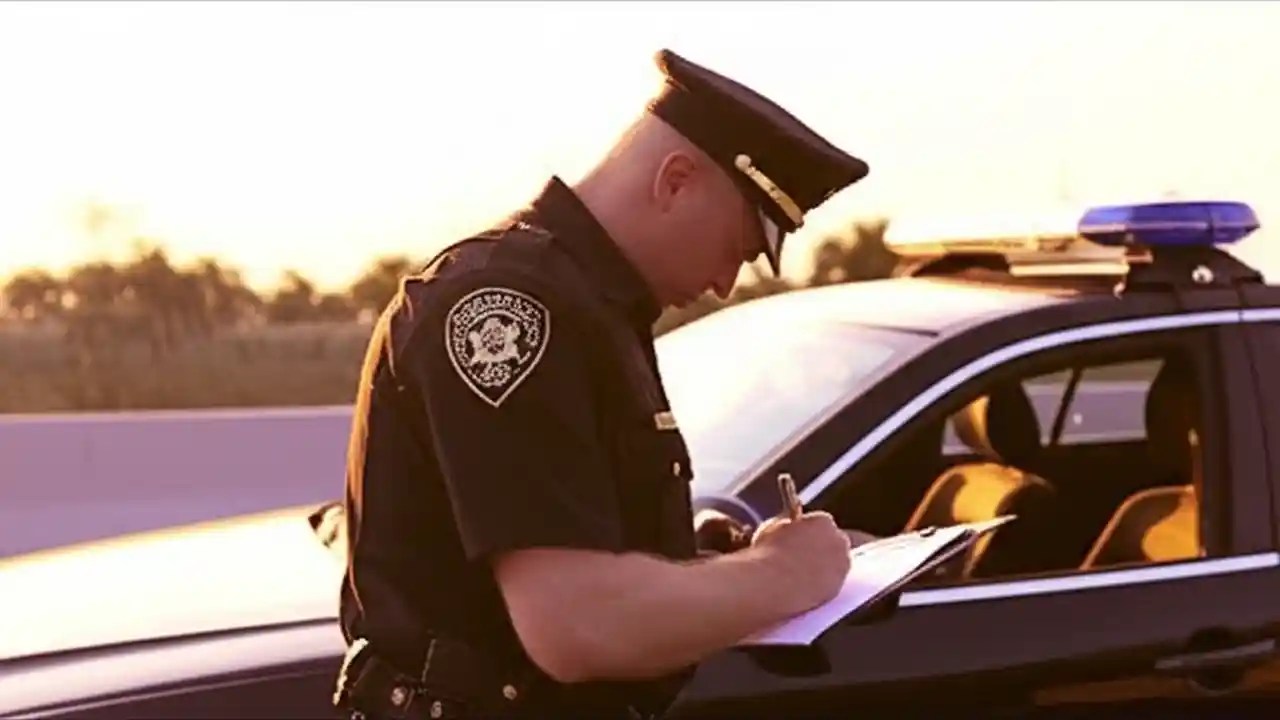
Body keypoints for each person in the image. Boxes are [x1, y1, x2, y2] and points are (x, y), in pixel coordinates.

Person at [332, 49, 872, 720]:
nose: (724, 284)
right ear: (675, 181)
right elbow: (576, 626)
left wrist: (723, 565)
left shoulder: (588, 307)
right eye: (737, 244)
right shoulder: (510, 307)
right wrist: (783, 577)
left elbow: (591, 558)